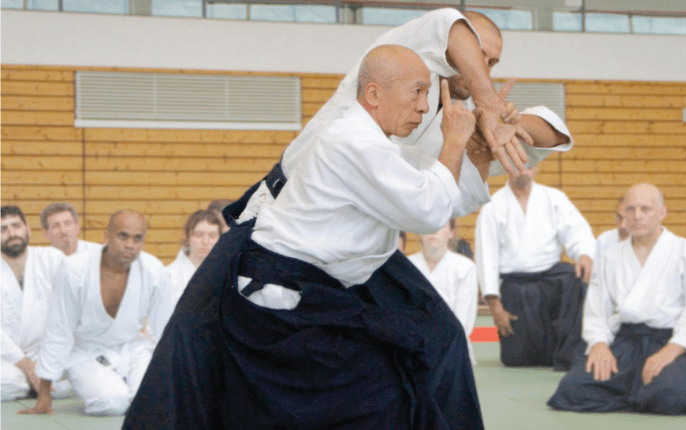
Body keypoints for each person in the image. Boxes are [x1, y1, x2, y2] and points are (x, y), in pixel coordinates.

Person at [124, 45, 481, 429]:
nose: (425, 107)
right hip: (281, 298)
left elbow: (432, 194)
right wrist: (456, 140)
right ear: (374, 94)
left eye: (428, 93)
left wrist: (485, 134)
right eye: (417, 92)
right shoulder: (352, 141)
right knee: (375, 394)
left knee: (394, 377)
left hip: (313, 292)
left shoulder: (372, 142)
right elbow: (427, 210)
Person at [233, 9, 572, 226]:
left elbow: (552, 133)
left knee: (435, 336)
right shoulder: (397, 60)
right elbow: (449, 26)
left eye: (492, 63)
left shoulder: (462, 125)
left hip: (351, 249)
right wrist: (489, 100)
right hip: (279, 216)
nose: (482, 67)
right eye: (478, 53)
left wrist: (502, 124)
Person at [548, 183, 686, 415]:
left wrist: (671, 351)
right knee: (570, 390)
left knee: (670, 397)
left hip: (672, 343)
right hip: (625, 342)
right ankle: (638, 395)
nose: (637, 216)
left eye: (645, 209)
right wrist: (600, 345)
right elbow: (596, 309)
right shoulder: (611, 257)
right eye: (630, 210)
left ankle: (637, 392)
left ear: (662, 213)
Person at [20, 210, 174, 416]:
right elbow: (59, 328)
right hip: (86, 351)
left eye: (138, 238)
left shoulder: (154, 270)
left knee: (151, 403)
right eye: (123, 236)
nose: (130, 245)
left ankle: (129, 386)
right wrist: (45, 394)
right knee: (113, 403)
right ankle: (111, 386)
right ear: (107, 237)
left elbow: (168, 328)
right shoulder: (75, 269)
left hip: (133, 347)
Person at [475, 164, 594, 370]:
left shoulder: (554, 198)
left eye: (528, 166)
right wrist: (495, 306)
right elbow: (487, 257)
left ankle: (569, 355)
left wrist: (584, 254)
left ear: (537, 168)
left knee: (573, 279)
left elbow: (577, 230)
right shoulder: (492, 207)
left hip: (551, 279)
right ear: (507, 168)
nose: (523, 172)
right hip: (515, 285)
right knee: (516, 359)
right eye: (517, 167)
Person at [1, 205, 72, 402]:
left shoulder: (52, 259)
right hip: (5, 357)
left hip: (44, 350)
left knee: (63, 382)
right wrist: (26, 366)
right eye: (3, 229)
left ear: (28, 230)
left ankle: (34, 383)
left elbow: (72, 307)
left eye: (16, 226)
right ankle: (29, 382)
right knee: (10, 383)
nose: (11, 233)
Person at [409, 222, 478, 364]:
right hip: (413, 351)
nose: (433, 230)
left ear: (452, 232)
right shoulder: (407, 267)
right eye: (427, 224)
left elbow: (463, 321)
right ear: (418, 231)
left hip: (453, 351)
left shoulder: (465, 268)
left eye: (441, 225)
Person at [166, 210, 223, 304]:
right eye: (198, 235)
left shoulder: (228, 275)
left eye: (212, 236)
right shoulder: (170, 277)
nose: (205, 242)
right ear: (187, 237)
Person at [594, 196, 630, 266]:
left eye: (628, 219)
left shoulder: (650, 244)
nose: (622, 225)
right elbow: (595, 274)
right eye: (619, 217)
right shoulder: (604, 240)